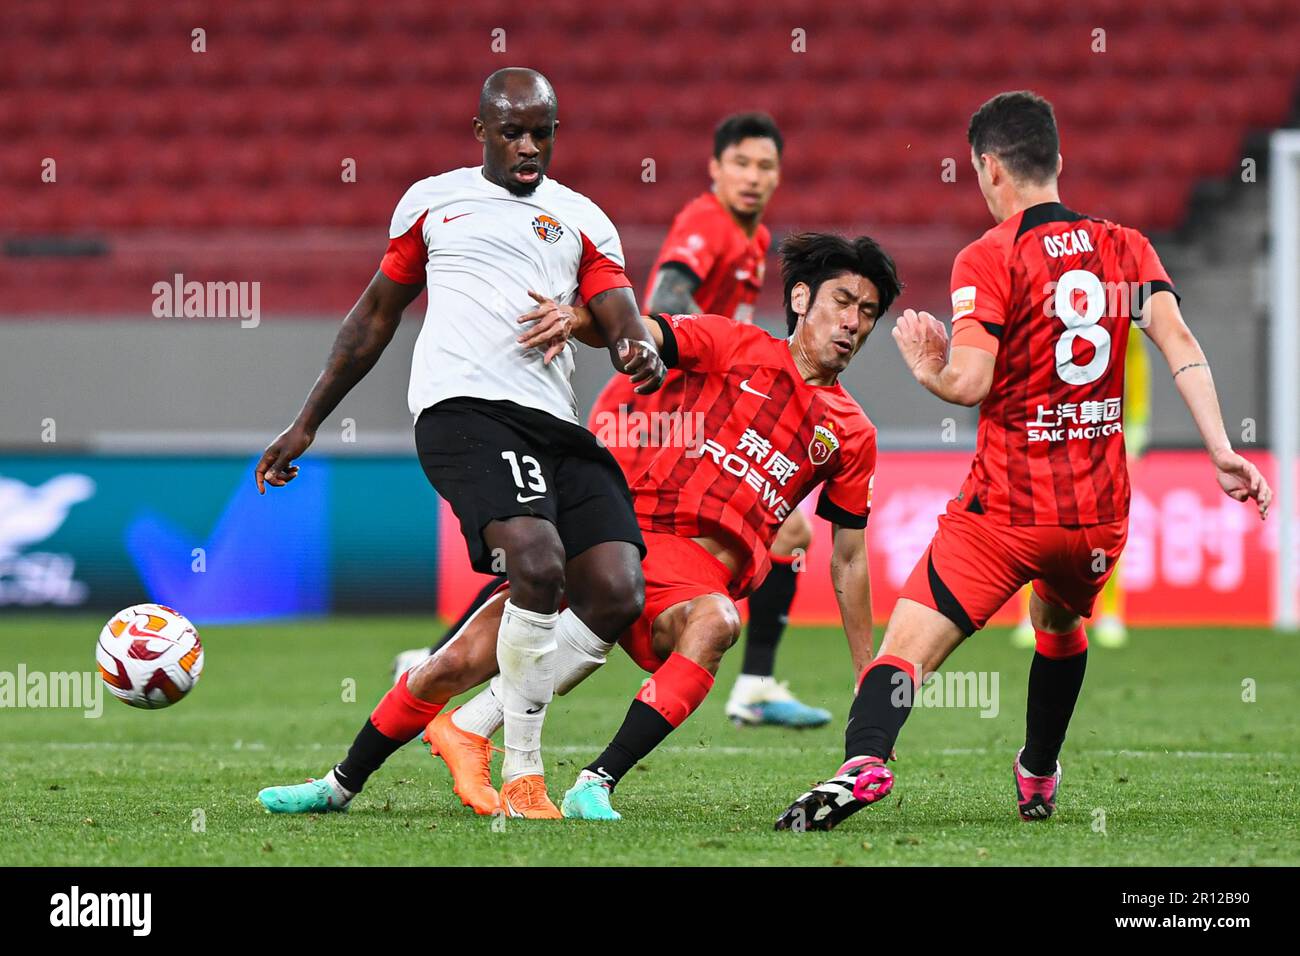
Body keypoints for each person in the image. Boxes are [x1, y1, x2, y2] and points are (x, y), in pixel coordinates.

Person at [258, 233, 901, 820]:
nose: (853, 322)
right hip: (619, 534)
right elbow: (637, 332)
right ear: (799, 298)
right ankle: (339, 784)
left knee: (716, 623)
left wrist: (864, 674)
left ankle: (591, 780)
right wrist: (576, 318)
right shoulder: (737, 346)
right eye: (843, 301)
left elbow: (847, 559)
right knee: (454, 664)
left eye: (868, 313)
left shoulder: (852, 434)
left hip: (692, 577)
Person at [776, 90, 1272, 832]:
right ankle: (1038, 770)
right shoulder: (1125, 247)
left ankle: (866, 760)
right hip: (1097, 516)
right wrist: (1223, 451)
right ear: (1058, 162)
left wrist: (928, 369)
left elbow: (970, 385)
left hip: (1005, 512)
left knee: (908, 648)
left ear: (989, 168)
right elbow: (1180, 344)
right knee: (1061, 621)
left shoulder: (990, 256)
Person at [254, 67, 665, 820]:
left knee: (614, 590)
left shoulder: (582, 218)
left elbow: (620, 316)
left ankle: (369, 772)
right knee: (537, 564)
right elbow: (374, 317)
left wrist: (640, 348)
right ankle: (525, 776)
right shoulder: (431, 201)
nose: (529, 146)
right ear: (481, 131)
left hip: (557, 425)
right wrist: (307, 420)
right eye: (512, 131)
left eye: (543, 131)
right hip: (464, 412)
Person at [395, 113, 826, 727]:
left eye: (765, 167)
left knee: (781, 534)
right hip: (649, 413)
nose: (753, 178)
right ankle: (443, 656)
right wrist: (712, 351)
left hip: (682, 412)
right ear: (716, 169)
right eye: (741, 164)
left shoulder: (754, 239)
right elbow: (668, 303)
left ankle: (754, 684)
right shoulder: (709, 223)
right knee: (561, 540)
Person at [1013, 329, 1150, 648]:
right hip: (1050, 423)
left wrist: (1138, 422)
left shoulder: (1118, 297)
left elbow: (1136, 360)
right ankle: (1029, 612)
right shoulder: (1044, 301)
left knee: (1105, 520)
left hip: (1102, 426)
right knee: (1036, 519)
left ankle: (1111, 613)